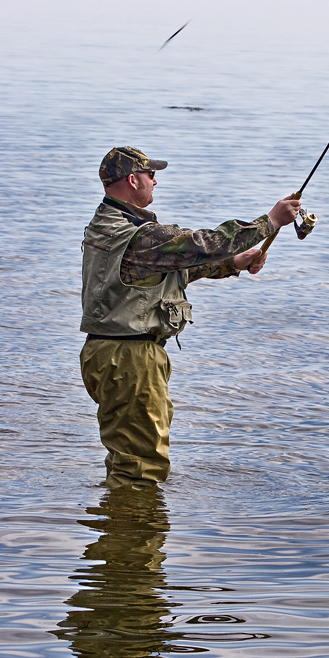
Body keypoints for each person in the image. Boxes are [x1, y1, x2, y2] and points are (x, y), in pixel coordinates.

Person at [80, 146, 301, 489]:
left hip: (112, 355)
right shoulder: (139, 234)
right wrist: (269, 222)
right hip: (129, 359)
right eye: (151, 174)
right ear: (133, 179)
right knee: (141, 468)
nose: (156, 181)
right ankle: (134, 535)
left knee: (128, 458)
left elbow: (161, 271)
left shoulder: (109, 224)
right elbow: (203, 243)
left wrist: (232, 265)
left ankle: (121, 528)